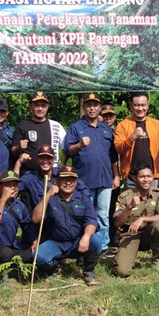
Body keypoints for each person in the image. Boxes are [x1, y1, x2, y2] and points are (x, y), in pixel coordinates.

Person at [64, 92, 119, 253]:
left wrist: (116, 175)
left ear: (100, 108)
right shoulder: (76, 127)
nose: (92, 108)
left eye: (95, 105)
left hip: (105, 179)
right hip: (84, 180)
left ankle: (102, 247)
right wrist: (79, 145)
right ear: (84, 107)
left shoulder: (106, 129)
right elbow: (68, 150)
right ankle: (84, 244)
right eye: (89, 105)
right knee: (85, 214)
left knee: (103, 215)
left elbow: (113, 156)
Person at [32, 165, 101, 286]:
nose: (68, 182)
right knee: (37, 256)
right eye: (64, 179)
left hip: (77, 243)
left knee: (96, 240)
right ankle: (54, 268)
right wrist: (47, 195)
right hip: (56, 242)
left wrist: (85, 237)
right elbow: (36, 219)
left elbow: (91, 221)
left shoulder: (84, 198)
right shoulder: (50, 198)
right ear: (57, 181)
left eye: (72, 179)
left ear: (76, 182)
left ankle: (88, 271)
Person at [112, 165, 159, 277]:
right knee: (122, 272)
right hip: (130, 235)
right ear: (135, 179)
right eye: (142, 177)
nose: (146, 179)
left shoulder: (157, 194)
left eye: (148, 176)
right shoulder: (125, 196)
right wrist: (129, 207)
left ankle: (156, 261)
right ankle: (122, 256)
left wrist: (142, 218)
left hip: (148, 234)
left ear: (153, 177)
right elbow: (117, 223)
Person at [0, 169, 33, 283]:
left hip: (12, 245)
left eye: (15, 185)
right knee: (5, 253)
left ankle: (12, 269)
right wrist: (3, 199)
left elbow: (27, 225)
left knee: (33, 253)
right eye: (8, 185)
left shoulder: (19, 205)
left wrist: (34, 241)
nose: (13, 188)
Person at [114, 92, 159, 188]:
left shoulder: (157, 125)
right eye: (136, 105)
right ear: (131, 105)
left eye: (143, 105)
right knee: (132, 203)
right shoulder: (123, 125)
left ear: (148, 105)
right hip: (131, 178)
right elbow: (119, 149)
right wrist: (132, 137)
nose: (140, 108)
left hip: (152, 178)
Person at [12, 91, 66, 173]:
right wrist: (19, 147)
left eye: (43, 106)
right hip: (29, 173)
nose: (40, 109)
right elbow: (13, 151)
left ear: (47, 107)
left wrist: (62, 166)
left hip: (51, 172)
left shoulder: (56, 126)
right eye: (37, 105)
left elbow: (66, 149)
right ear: (30, 106)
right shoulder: (23, 126)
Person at [101, 103, 122, 253]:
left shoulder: (118, 131)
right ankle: (103, 238)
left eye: (111, 115)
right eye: (105, 115)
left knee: (115, 206)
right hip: (105, 174)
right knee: (103, 209)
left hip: (120, 173)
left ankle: (114, 234)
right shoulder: (99, 131)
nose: (108, 118)